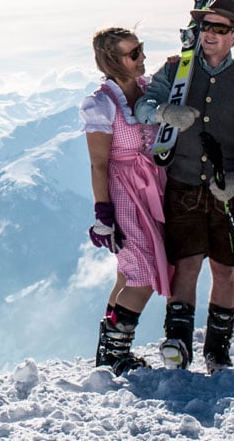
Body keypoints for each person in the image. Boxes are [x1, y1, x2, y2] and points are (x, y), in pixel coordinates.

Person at [134, 0, 234, 373]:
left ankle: (217, 350)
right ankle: (177, 342)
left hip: (228, 188)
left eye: (219, 28)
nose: (209, 34)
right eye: (205, 26)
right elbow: (143, 106)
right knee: (187, 264)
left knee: (225, 268)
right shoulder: (177, 70)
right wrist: (163, 111)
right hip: (182, 182)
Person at [80, 27, 172, 374]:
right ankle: (115, 349)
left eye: (141, 50)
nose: (142, 58)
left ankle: (109, 349)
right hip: (125, 191)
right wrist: (103, 213)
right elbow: (99, 162)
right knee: (143, 271)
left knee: (128, 271)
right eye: (134, 54)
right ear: (112, 61)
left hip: (152, 186)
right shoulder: (101, 103)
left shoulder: (147, 90)